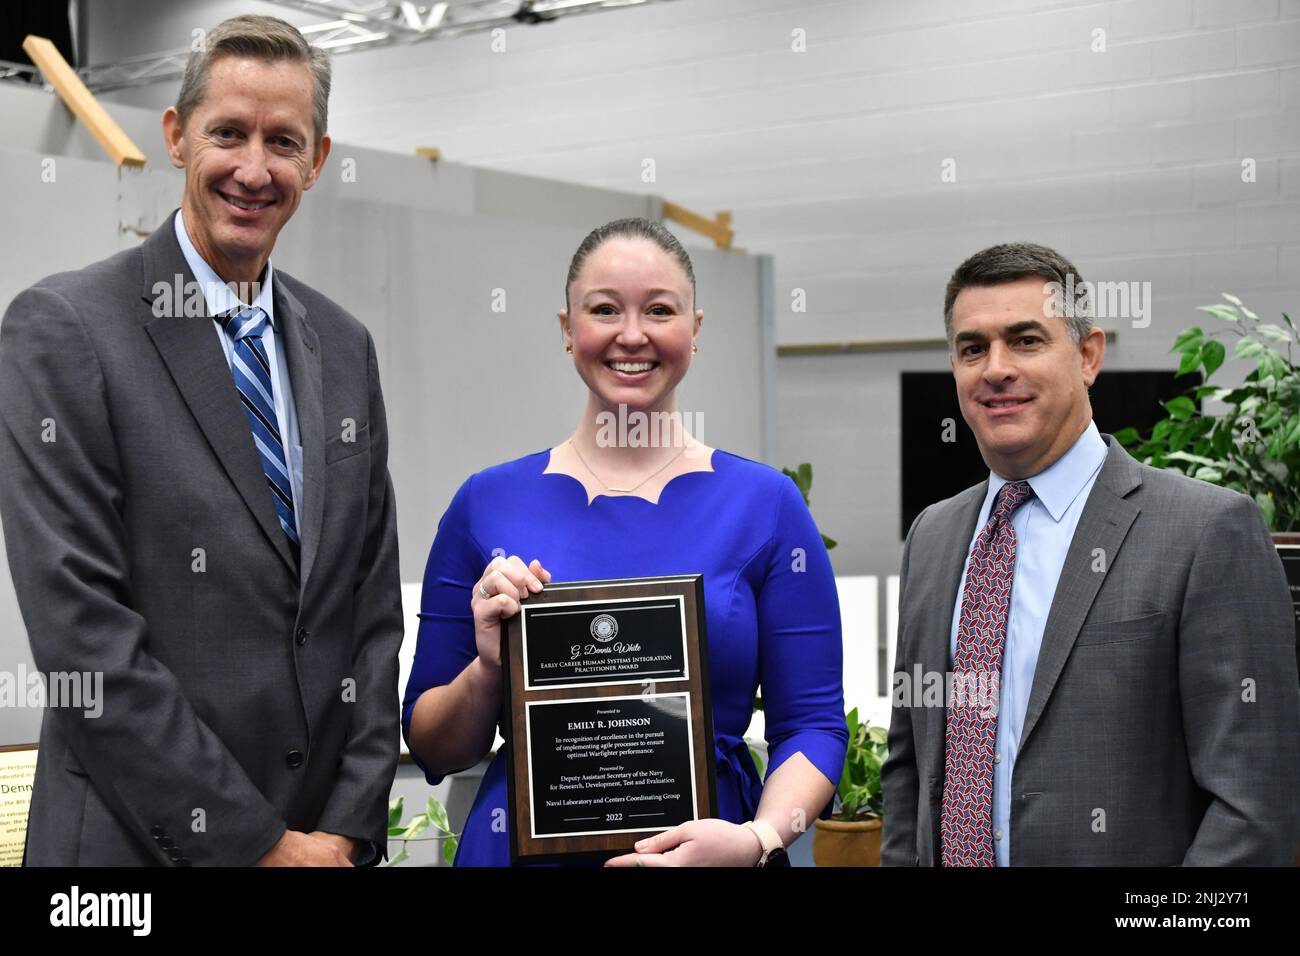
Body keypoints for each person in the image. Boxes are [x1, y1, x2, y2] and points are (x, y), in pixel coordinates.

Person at [0, 15, 402, 866]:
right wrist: (258, 847)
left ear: (317, 161)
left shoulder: (344, 345)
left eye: (283, 142)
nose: (254, 169)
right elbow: (84, 639)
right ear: (178, 137)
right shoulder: (66, 331)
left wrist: (346, 828)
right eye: (228, 133)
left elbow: (369, 618)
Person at [404, 218, 846, 866]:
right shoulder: (486, 504)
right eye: (605, 309)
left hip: (711, 854)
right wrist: (490, 668)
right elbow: (435, 747)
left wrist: (759, 839)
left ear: (695, 328)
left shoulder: (767, 506)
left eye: (659, 310)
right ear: (567, 328)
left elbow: (812, 725)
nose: (631, 334)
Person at [881, 241, 1300, 866]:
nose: (995, 368)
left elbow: (1254, 807)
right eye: (973, 348)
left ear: (1087, 356)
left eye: (1026, 340)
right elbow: (910, 768)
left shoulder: (1208, 531)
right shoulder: (934, 538)